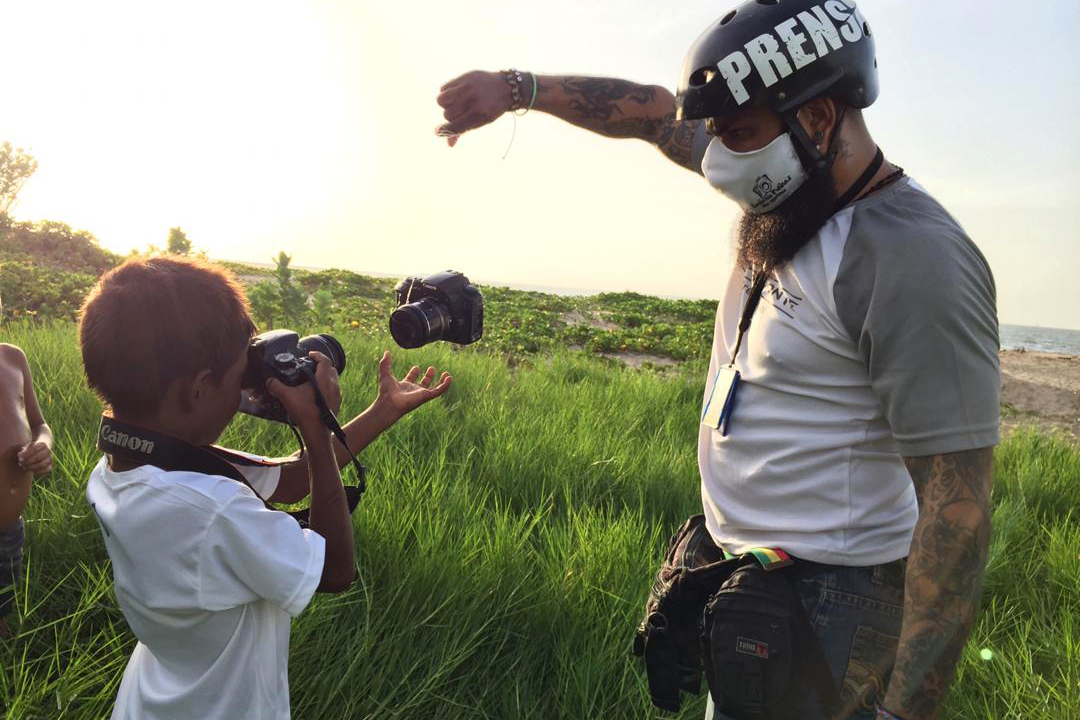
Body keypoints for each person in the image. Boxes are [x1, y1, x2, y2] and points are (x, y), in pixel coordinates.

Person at [435, 2, 998, 719]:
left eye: (737, 133)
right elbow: (649, 115)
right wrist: (517, 88)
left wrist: (903, 711)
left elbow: (958, 512)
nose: (717, 155)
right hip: (746, 580)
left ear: (819, 118)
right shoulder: (789, 182)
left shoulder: (909, 258)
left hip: (834, 603)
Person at [78, 255, 451, 720]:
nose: (245, 396)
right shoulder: (211, 511)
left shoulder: (130, 466)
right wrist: (315, 429)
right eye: (239, 381)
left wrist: (382, 410)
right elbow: (335, 571)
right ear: (198, 389)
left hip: (153, 699)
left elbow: (292, 481)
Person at [0, 296, 54, 638]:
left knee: (3, 602)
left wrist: (42, 447)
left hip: (9, 527)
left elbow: (41, 425)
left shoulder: (12, 357)